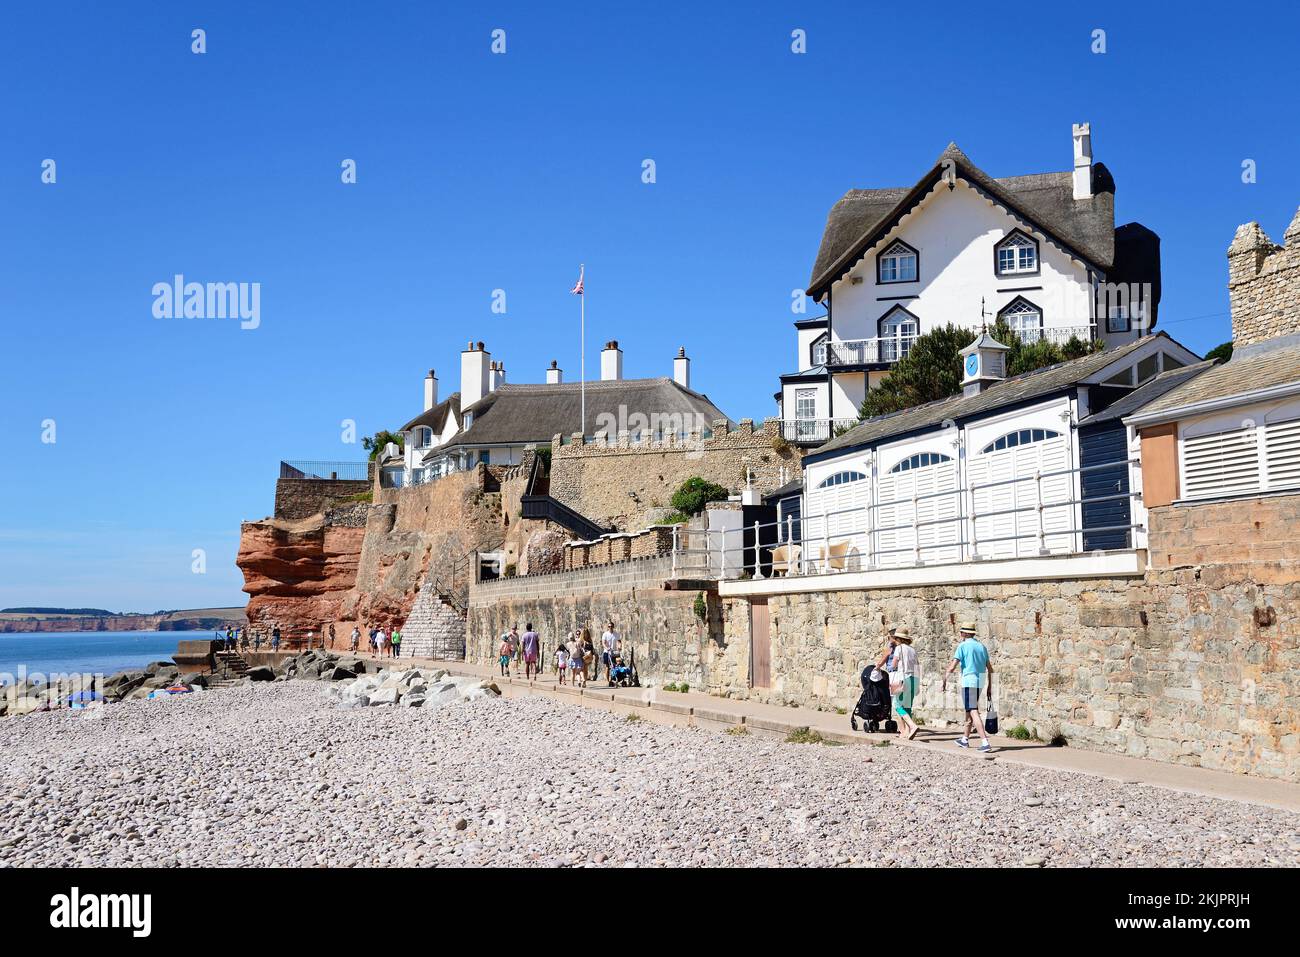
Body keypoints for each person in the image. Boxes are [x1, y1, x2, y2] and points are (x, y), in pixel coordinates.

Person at [943, 621, 994, 752]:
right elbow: (990, 669)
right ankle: (965, 739)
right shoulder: (981, 647)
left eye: (961, 631)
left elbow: (953, 665)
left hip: (969, 681)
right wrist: (989, 687)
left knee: (973, 710)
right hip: (979, 682)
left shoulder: (963, 646)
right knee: (969, 711)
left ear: (965, 633)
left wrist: (944, 679)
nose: (960, 633)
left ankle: (984, 741)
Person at [888, 627, 920, 740]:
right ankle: (907, 732)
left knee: (897, 705)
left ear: (898, 639)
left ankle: (912, 725)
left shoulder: (899, 648)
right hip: (914, 679)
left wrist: (891, 667)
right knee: (908, 706)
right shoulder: (913, 650)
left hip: (903, 678)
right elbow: (917, 666)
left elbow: (894, 664)